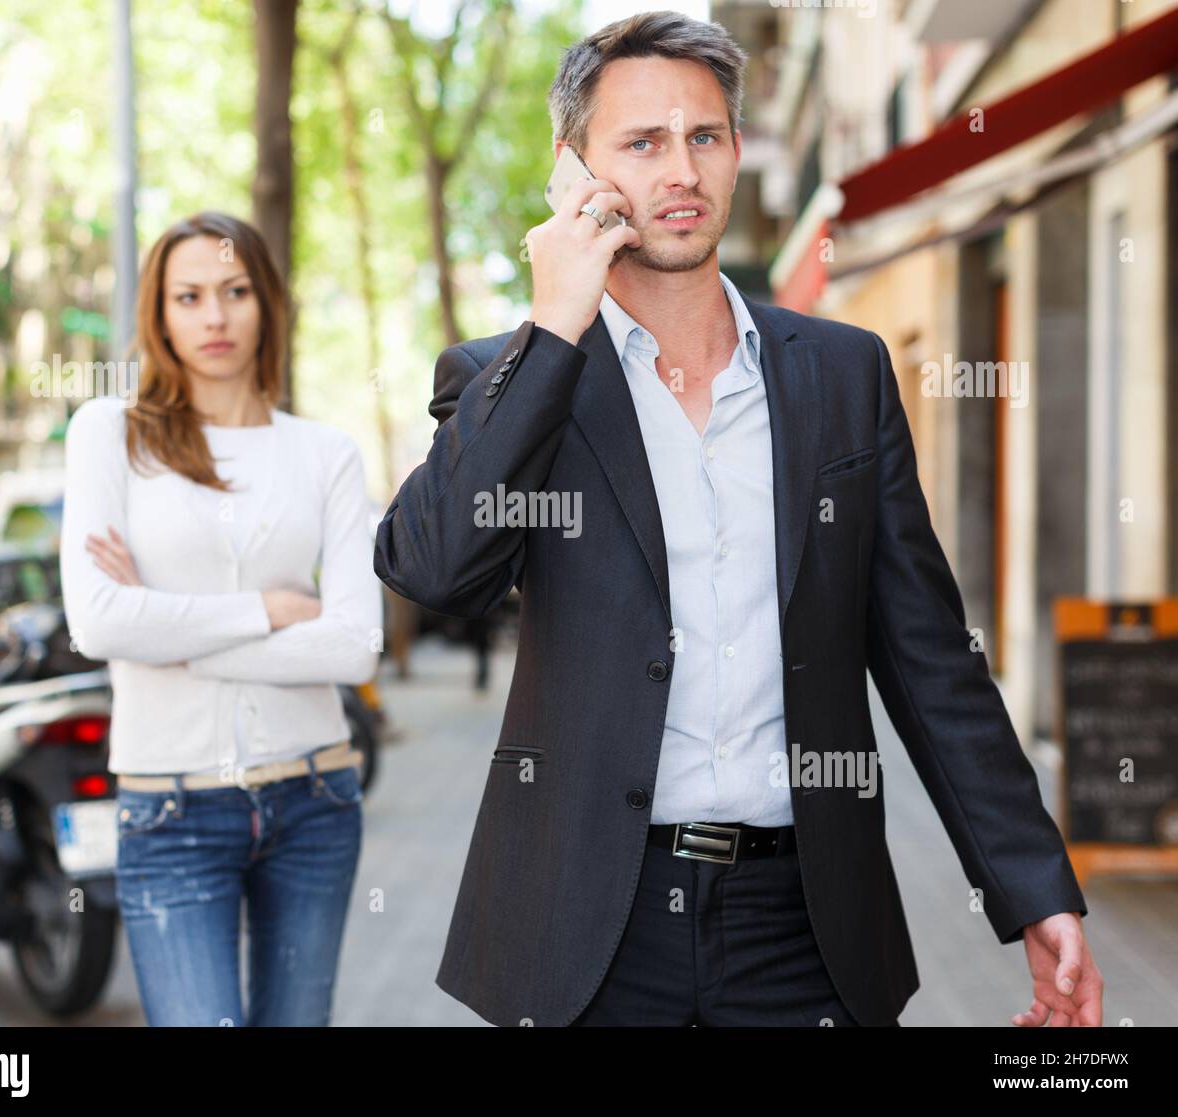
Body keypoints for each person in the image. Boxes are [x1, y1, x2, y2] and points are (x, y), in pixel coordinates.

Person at [373, 11, 1101, 1027]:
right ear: (573, 171)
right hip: (591, 928)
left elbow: (930, 656)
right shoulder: (513, 375)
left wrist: (1033, 890)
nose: (681, 169)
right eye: (642, 142)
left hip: (802, 924)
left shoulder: (841, 373)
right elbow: (434, 568)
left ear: (736, 151)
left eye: (703, 136)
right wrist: (552, 328)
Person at [60, 211, 381, 1026]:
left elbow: (353, 646)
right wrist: (267, 613)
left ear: (266, 302)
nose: (213, 316)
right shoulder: (111, 435)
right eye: (189, 295)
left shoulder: (326, 453)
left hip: (314, 796)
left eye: (235, 291)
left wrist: (169, 638)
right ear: (158, 313)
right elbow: (99, 623)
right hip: (170, 812)